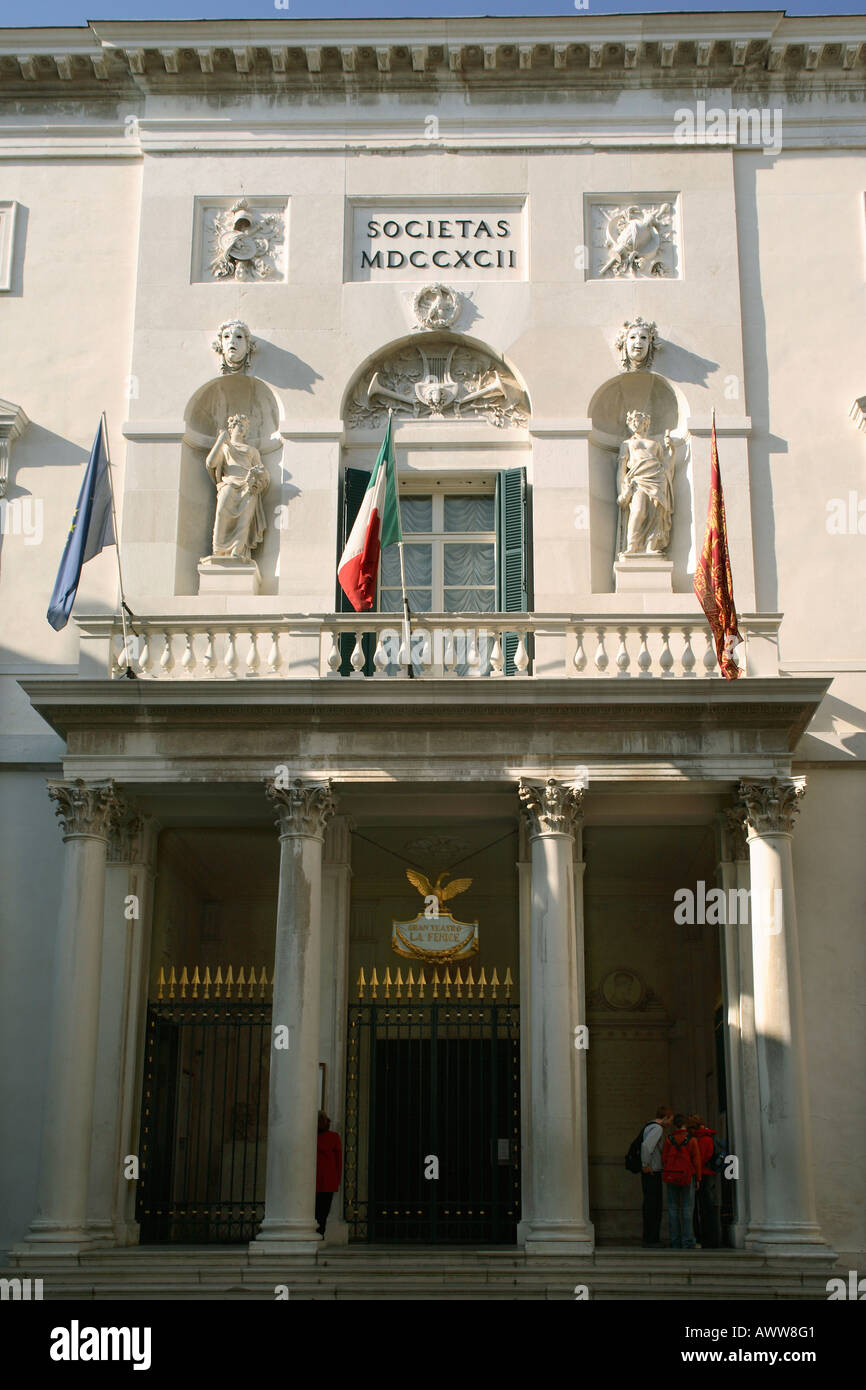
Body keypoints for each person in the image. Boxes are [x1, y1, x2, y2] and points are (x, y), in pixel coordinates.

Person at [205, 413, 269, 563]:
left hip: (248, 487)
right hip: (229, 484)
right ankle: (218, 550)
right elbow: (210, 463)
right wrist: (220, 441)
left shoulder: (252, 450)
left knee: (244, 522)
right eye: (239, 425)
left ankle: (237, 551)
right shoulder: (225, 447)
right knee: (221, 513)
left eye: (245, 427)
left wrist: (257, 476)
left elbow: (263, 471)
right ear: (232, 427)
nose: (242, 429)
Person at [662, 1113, 702, 1249]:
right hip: (687, 1176)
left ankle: (675, 1240)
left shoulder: (669, 1139)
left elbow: (664, 1159)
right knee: (687, 1208)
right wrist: (698, 1178)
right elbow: (696, 1161)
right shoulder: (691, 1140)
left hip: (671, 1176)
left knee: (673, 1208)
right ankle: (688, 1240)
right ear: (686, 1124)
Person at [640, 1105, 673, 1247]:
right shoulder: (657, 1129)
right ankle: (652, 1239)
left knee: (649, 1204)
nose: (671, 1122)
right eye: (670, 1119)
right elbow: (647, 1146)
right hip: (652, 1170)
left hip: (649, 1170)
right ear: (666, 1117)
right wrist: (645, 1164)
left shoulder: (648, 1126)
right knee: (654, 1206)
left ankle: (649, 1237)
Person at [688, 1114, 720, 1249]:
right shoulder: (707, 1137)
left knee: (706, 1208)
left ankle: (709, 1239)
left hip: (704, 1175)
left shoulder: (703, 1139)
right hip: (707, 1174)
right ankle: (709, 1239)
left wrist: (696, 1175)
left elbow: (700, 1159)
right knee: (707, 1208)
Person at [315, 1110, 343, 1238]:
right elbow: (338, 1161)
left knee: (319, 1209)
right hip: (325, 1180)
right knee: (323, 1209)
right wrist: (336, 1179)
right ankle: (320, 1232)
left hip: (320, 1180)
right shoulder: (333, 1137)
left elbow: (338, 1160)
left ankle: (320, 1232)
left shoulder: (332, 1137)